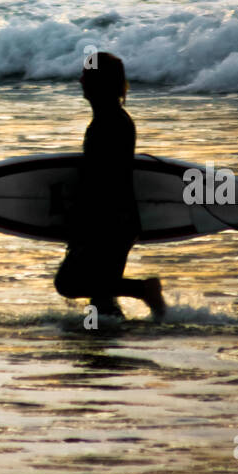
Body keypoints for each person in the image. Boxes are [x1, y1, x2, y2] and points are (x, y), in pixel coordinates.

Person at [54, 52, 166, 320]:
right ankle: (111, 351)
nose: (80, 80)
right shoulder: (112, 119)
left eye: (86, 75)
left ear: (99, 82)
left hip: (108, 221)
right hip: (120, 220)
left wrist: (78, 218)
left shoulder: (109, 123)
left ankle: (144, 289)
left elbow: (102, 180)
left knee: (68, 283)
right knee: (103, 304)